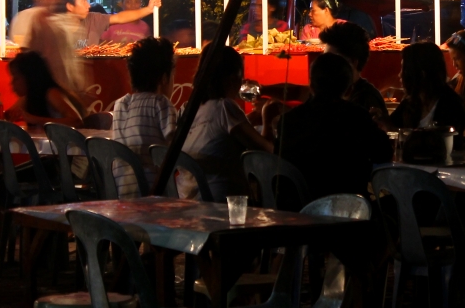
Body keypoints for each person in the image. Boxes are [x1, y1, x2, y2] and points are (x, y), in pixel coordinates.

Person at [275, 53, 392, 200]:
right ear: (349, 89)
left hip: (296, 210)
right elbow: (384, 153)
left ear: (311, 86)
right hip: (349, 211)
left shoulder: (288, 121)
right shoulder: (356, 117)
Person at [181, 45, 280, 202]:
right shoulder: (225, 107)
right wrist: (268, 116)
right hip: (225, 206)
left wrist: (251, 117)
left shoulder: (189, 109)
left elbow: (217, 132)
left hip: (190, 202)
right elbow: (269, 152)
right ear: (232, 78)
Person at [111, 37, 177, 198]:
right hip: (153, 193)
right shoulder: (160, 103)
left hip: (122, 192)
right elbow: (176, 147)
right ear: (164, 78)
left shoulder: (120, 104)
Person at [0, 51, 87, 130]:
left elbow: (76, 121)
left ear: (29, 77)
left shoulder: (51, 93)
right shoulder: (27, 98)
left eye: (16, 78)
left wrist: (34, 119)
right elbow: (6, 119)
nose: (12, 83)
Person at [389, 42, 465, 132]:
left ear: (422, 74)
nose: (400, 75)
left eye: (404, 69)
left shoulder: (452, 106)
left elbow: (441, 143)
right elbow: (392, 125)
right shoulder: (410, 102)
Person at [319, 21, 388, 118]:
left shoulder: (367, 99)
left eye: (332, 60)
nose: (325, 65)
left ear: (353, 62)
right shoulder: (331, 95)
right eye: (324, 59)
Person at [64, 0, 160, 48]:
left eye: (87, 0)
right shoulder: (55, 29)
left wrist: (149, 9)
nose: (88, 5)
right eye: (83, 1)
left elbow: (119, 17)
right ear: (70, 6)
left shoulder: (94, 19)